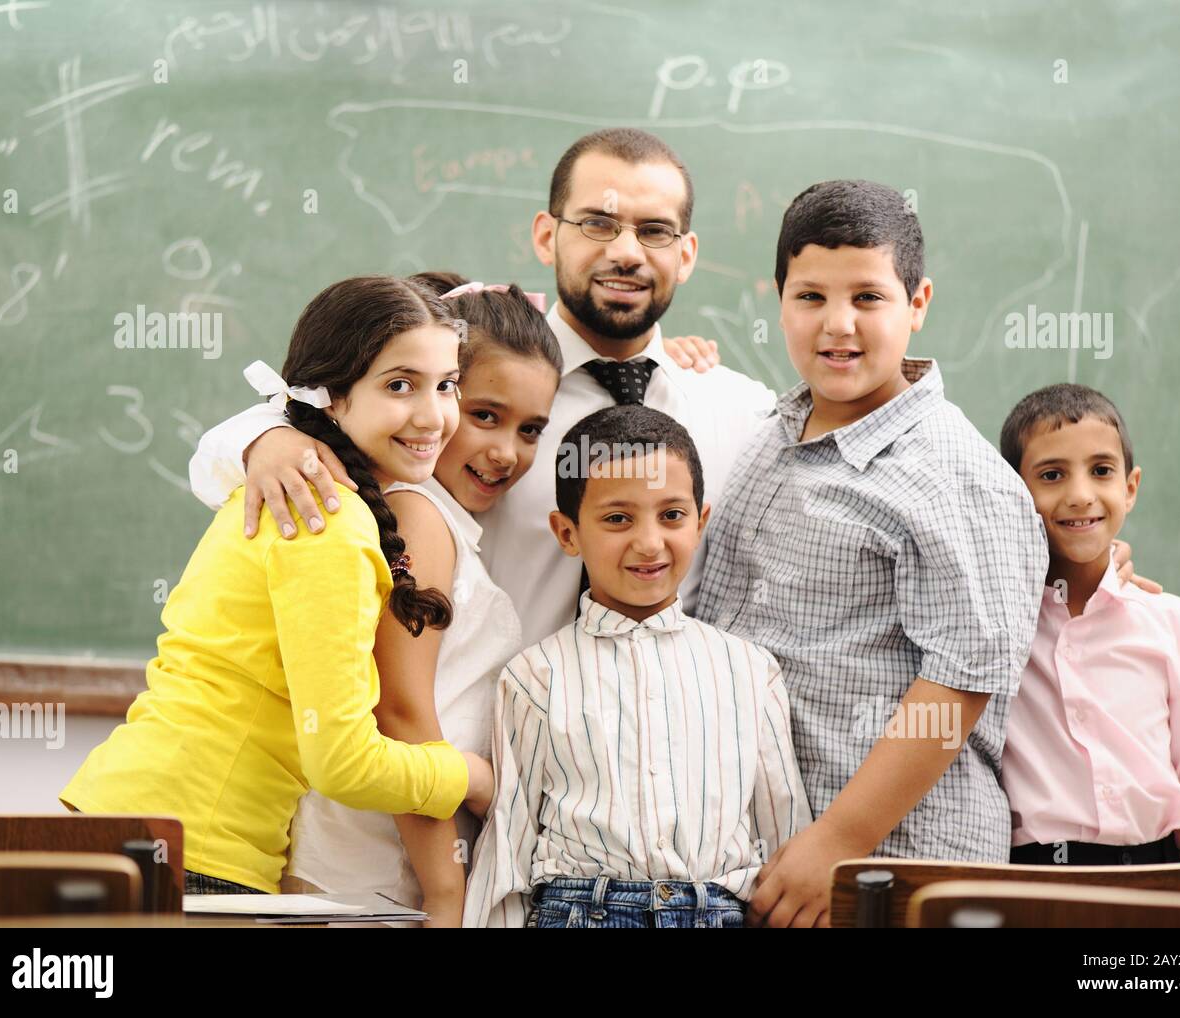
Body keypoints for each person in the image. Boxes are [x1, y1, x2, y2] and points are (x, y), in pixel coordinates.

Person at [187, 128, 776, 648]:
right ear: (546, 236)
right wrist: (268, 437)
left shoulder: (739, 411)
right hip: (466, 753)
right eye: (597, 223)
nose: (624, 252)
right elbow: (323, 411)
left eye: (655, 231)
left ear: (687, 253)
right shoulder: (460, 382)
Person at [60, 276, 493, 895]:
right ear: (330, 396)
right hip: (190, 853)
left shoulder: (290, 489)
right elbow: (345, 765)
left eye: (446, 385)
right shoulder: (324, 523)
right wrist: (472, 777)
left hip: (130, 823)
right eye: (401, 385)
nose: (433, 415)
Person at [695, 179, 1049, 928]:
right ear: (779, 297)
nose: (838, 325)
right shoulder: (771, 433)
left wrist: (844, 840)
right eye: (811, 297)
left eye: (868, 298)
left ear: (918, 303)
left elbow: (961, 680)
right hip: (772, 855)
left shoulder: (957, 472)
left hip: (891, 865)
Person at [283, 278, 564, 925]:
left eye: (531, 430)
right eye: (485, 415)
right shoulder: (417, 518)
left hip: (392, 869)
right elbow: (402, 711)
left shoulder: (439, 520)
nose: (505, 452)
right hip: (372, 878)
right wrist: (445, 888)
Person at [463, 405, 810, 927]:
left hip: (716, 910)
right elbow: (509, 842)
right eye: (618, 518)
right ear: (567, 533)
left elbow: (785, 833)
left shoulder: (749, 671)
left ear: (701, 521)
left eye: (671, 515)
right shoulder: (536, 676)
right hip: (580, 909)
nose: (649, 543)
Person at [998, 383, 1180, 864]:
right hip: (1033, 883)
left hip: (1158, 880)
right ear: (1012, 492)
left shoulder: (1172, 622)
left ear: (1129, 488)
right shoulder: (999, 624)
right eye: (1051, 475)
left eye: (1102, 471)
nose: (1080, 495)